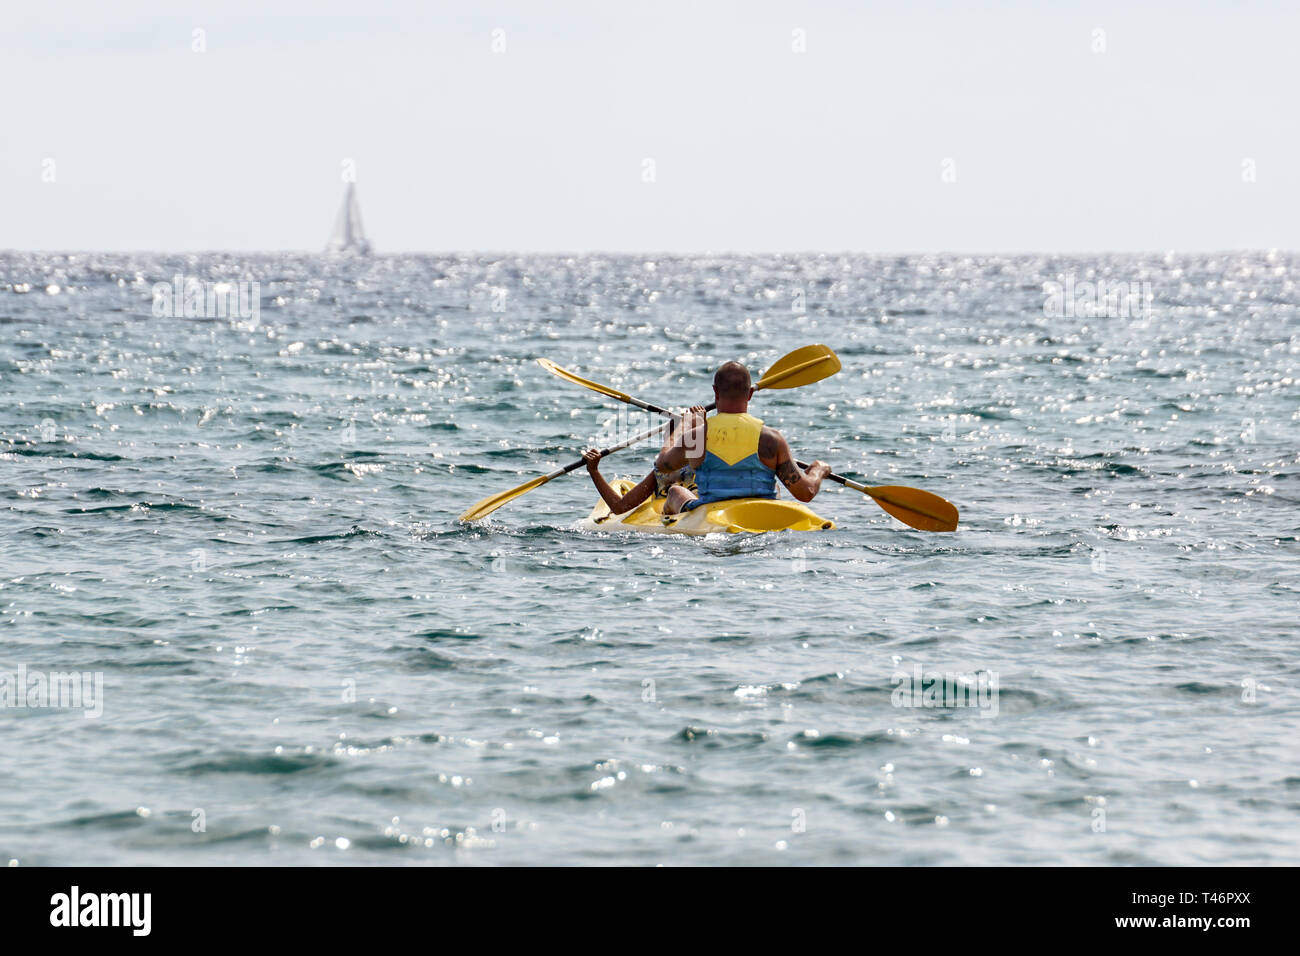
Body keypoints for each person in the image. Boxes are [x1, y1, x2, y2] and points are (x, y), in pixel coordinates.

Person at [655, 361, 831, 515]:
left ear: (715, 392)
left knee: (675, 491)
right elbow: (805, 492)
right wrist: (818, 470)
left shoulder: (697, 435)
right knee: (775, 488)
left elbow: (662, 465)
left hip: (711, 512)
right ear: (750, 395)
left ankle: (665, 521)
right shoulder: (772, 438)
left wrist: (682, 427)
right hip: (761, 512)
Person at [582, 406, 705, 515]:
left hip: (708, 509)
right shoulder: (658, 474)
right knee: (675, 491)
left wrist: (701, 424)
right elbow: (620, 507)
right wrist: (594, 471)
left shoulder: (707, 460)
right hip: (678, 511)